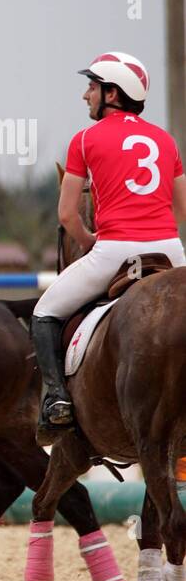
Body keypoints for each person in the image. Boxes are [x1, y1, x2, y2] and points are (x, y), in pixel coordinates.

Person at [32, 51, 186, 444]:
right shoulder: (166, 140)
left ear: (112, 94)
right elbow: (182, 208)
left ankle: (56, 403)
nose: (86, 95)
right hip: (170, 250)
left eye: (92, 87)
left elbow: (68, 215)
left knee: (45, 311)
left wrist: (89, 242)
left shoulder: (84, 140)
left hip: (115, 249)